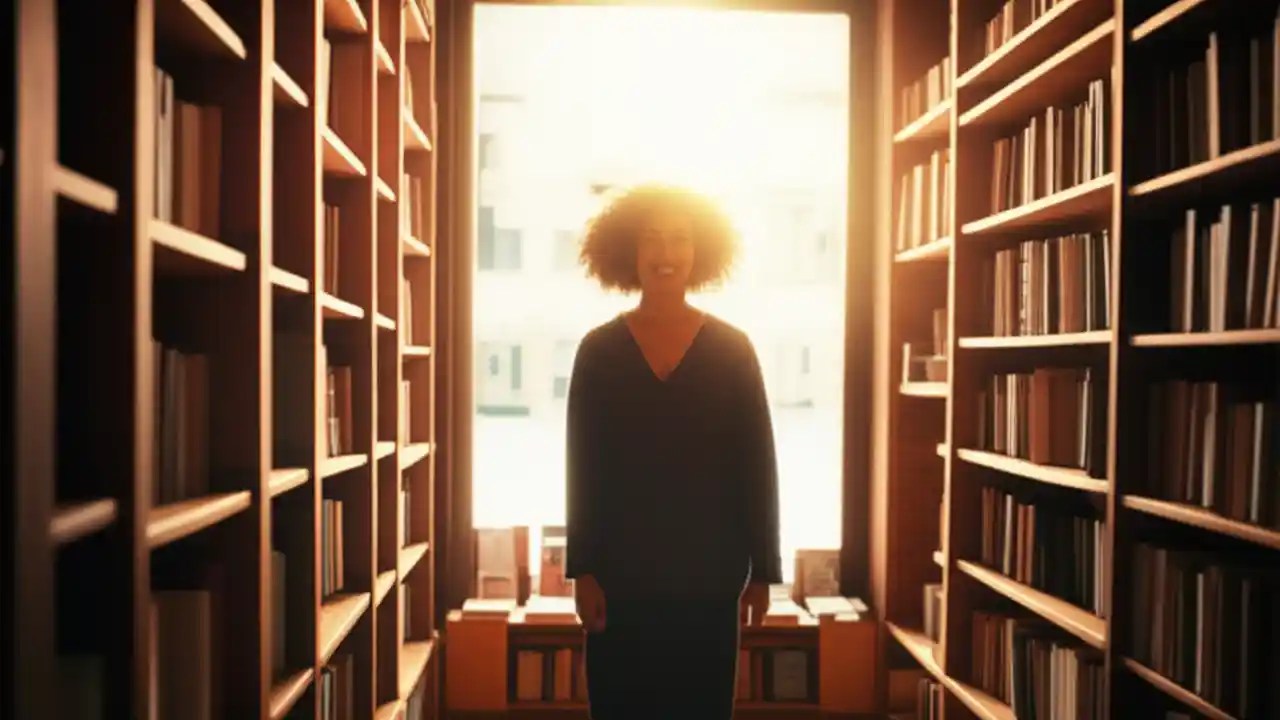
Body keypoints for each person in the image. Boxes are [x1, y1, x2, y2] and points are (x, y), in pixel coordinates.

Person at [564, 184, 782, 719]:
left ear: (700, 249)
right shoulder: (598, 351)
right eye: (652, 239)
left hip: (708, 579)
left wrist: (765, 571)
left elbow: (758, 463)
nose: (666, 254)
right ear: (628, 251)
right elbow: (582, 467)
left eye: (680, 239)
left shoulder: (734, 350)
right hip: (621, 577)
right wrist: (582, 569)